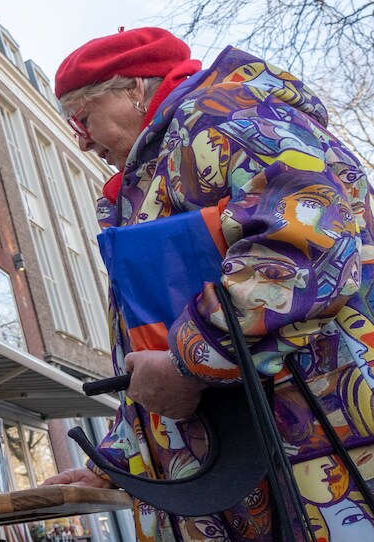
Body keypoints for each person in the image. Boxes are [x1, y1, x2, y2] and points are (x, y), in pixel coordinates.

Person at [40, 27, 374, 540]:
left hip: (319, 459)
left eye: (82, 117)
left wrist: (189, 362)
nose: (79, 140)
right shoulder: (163, 166)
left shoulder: (222, 118)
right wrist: (124, 460)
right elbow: (155, 338)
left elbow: (308, 245)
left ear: (135, 88)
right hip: (265, 468)